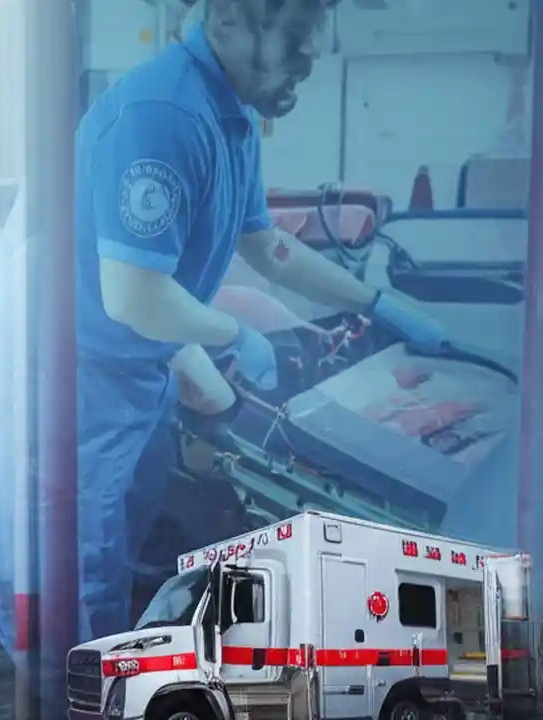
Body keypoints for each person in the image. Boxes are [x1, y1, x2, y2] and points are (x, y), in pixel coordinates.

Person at [73, 0, 448, 642]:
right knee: (89, 580)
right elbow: (134, 297)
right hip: (84, 384)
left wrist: (373, 303)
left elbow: (266, 244)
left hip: (138, 371)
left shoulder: (231, 112)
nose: (311, 58)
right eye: (296, 40)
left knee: (120, 564)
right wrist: (232, 334)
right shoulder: (163, 115)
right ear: (225, 20)